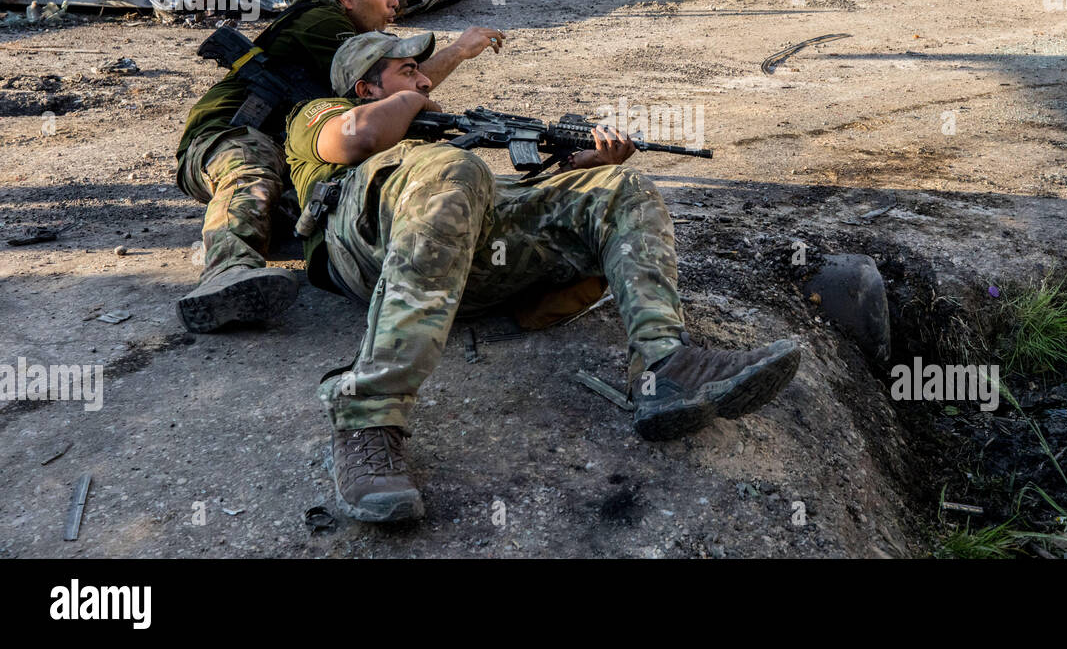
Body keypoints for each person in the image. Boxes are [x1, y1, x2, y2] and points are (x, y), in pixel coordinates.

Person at [285, 31, 801, 522]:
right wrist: (418, 106)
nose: (424, 82)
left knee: (619, 187)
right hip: (367, 239)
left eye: (423, 74)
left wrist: (585, 168)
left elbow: (509, 215)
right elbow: (360, 138)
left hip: (461, 255)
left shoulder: (440, 155)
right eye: (408, 72)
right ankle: (367, 415)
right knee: (457, 168)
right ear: (365, 88)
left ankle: (664, 366)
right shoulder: (320, 115)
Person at [174, 0, 505, 334]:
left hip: (288, 148)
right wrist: (457, 52)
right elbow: (387, 89)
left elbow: (385, 100)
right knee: (253, 168)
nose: (394, 2)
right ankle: (226, 273)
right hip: (226, 136)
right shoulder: (323, 21)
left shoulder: (340, 26)